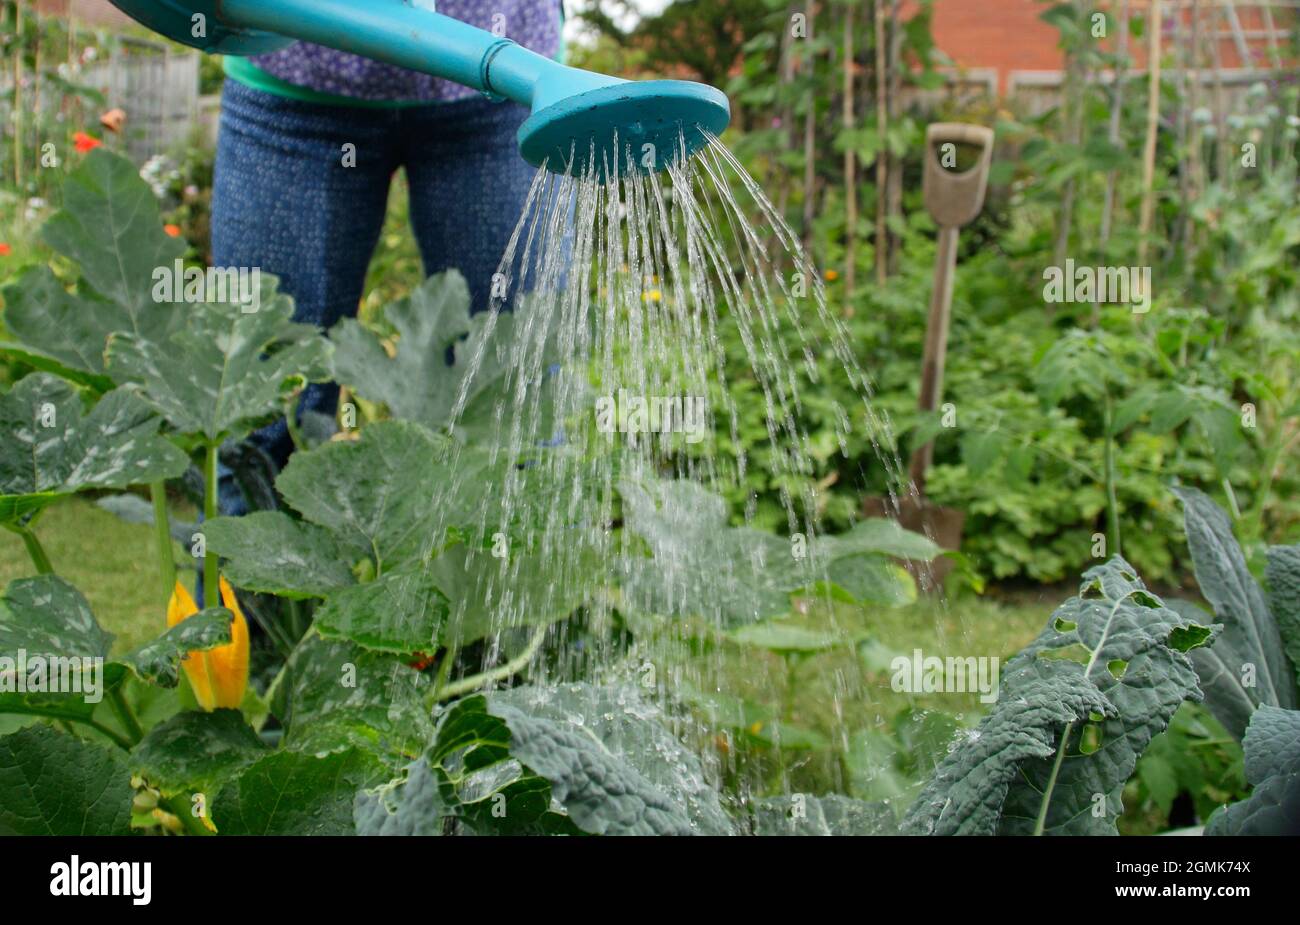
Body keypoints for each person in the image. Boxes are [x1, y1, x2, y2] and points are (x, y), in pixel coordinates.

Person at [210, 0, 565, 514]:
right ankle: (250, 598)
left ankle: (501, 589)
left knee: (519, 416)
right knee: (257, 423)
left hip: (507, 73)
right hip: (292, 61)